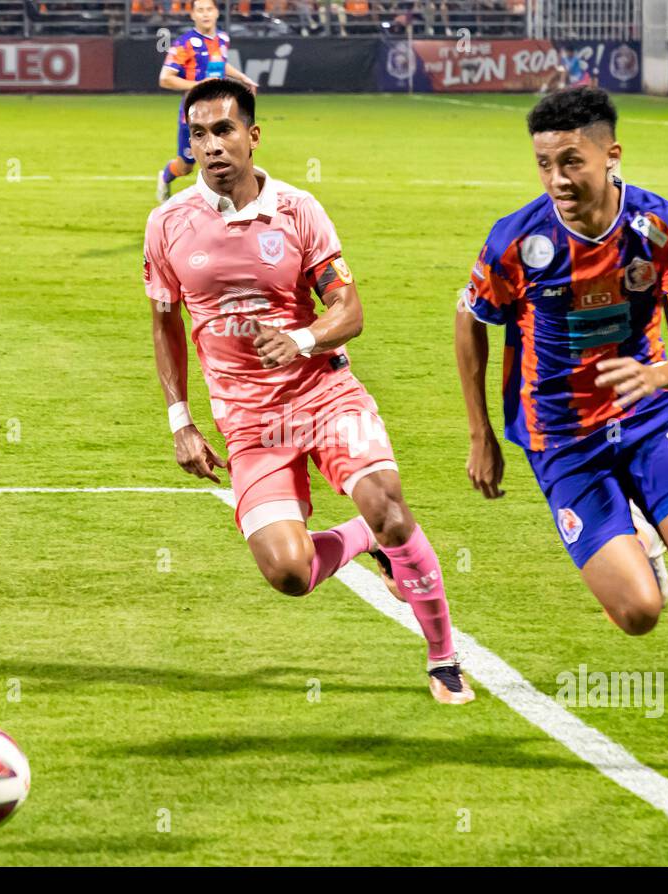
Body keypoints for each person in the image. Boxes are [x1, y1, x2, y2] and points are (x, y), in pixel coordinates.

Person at [455, 87, 668, 777]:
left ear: (611, 154)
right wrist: (481, 433)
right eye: (543, 164)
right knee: (639, 613)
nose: (558, 179)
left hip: (653, 415)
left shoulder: (665, 228)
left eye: (571, 161)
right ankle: (636, 533)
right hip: (562, 437)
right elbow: (470, 319)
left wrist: (659, 378)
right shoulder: (516, 243)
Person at [144, 78, 475, 705]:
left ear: (252, 135)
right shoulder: (167, 224)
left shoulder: (298, 210)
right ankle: (363, 540)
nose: (211, 146)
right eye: (198, 134)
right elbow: (164, 319)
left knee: (388, 503)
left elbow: (348, 310)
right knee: (290, 573)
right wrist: (179, 420)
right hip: (249, 421)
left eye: (223, 130)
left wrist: (300, 340)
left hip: (324, 393)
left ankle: (443, 657)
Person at [155, 0, 258, 204]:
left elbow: (221, 64)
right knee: (185, 166)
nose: (205, 14)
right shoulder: (184, 44)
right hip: (193, 115)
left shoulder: (222, 39)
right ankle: (165, 177)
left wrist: (242, 77)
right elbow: (165, 78)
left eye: (209, 9)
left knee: (226, 157)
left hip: (221, 112)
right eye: (200, 10)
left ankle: (224, 203)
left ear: (217, 12)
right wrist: (199, 83)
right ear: (192, 15)